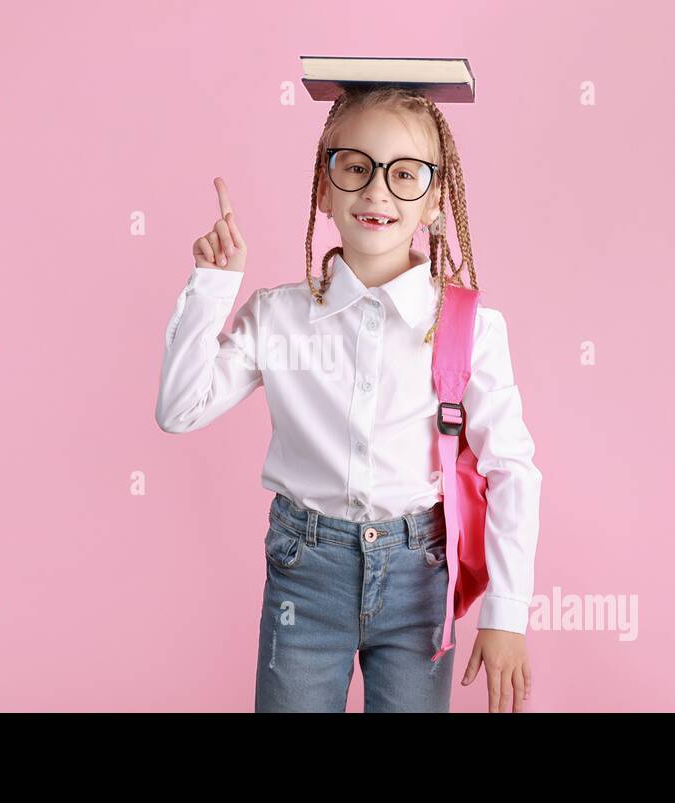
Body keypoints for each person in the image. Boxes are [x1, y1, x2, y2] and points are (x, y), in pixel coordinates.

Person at [155, 85, 543, 713]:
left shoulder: (469, 326)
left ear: (436, 201)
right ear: (324, 187)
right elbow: (179, 409)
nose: (377, 191)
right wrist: (212, 286)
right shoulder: (278, 316)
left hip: (421, 576)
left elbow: (510, 468)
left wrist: (506, 614)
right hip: (304, 575)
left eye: (405, 173)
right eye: (356, 167)